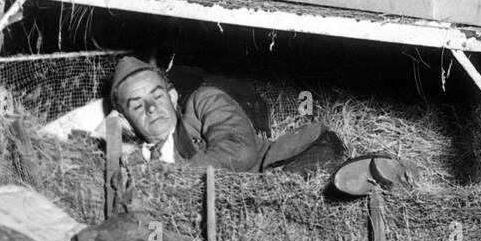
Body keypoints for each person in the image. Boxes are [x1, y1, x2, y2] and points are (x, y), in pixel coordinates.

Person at [109, 55, 344, 174]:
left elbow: (239, 151)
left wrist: (177, 172)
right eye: (137, 106)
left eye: (157, 96)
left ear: (172, 97)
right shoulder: (137, 161)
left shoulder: (204, 101)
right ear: (124, 120)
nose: (151, 108)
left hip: (284, 167)